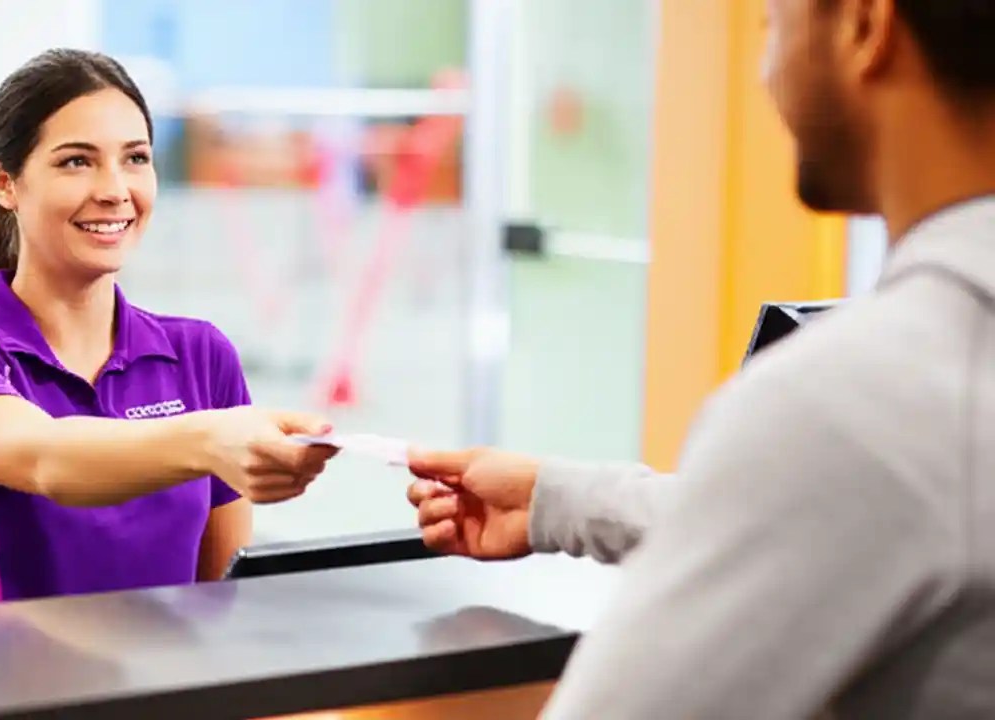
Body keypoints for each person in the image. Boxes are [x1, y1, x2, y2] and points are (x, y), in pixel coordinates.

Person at [408, 1, 995, 717]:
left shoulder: (851, 405)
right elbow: (838, 519)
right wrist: (555, 501)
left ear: (865, 27)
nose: (766, 75)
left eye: (772, 26)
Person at [0, 49, 337, 609]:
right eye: (77, 161)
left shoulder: (200, 354)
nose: (114, 189)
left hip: (170, 668)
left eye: (135, 158)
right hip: (4, 670)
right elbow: (48, 460)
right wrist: (209, 440)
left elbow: (221, 604)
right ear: (5, 183)